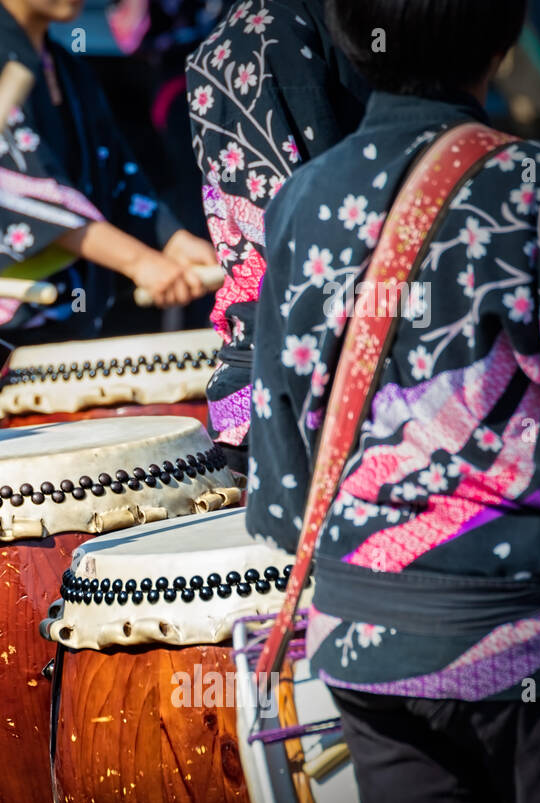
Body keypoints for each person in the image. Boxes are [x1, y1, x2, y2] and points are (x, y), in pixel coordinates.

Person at [247, 0, 540, 803]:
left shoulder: (301, 200)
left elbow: (282, 484)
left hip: (367, 643)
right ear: (505, 44)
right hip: (530, 642)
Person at [0, 0, 216, 344]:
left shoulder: (67, 66)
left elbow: (117, 172)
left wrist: (171, 240)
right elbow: (26, 198)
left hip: (67, 323)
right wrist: (139, 262)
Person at [185, 0, 368, 467]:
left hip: (303, 376)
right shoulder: (265, 32)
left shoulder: (273, 25)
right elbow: (323, 235)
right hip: (308, 387)